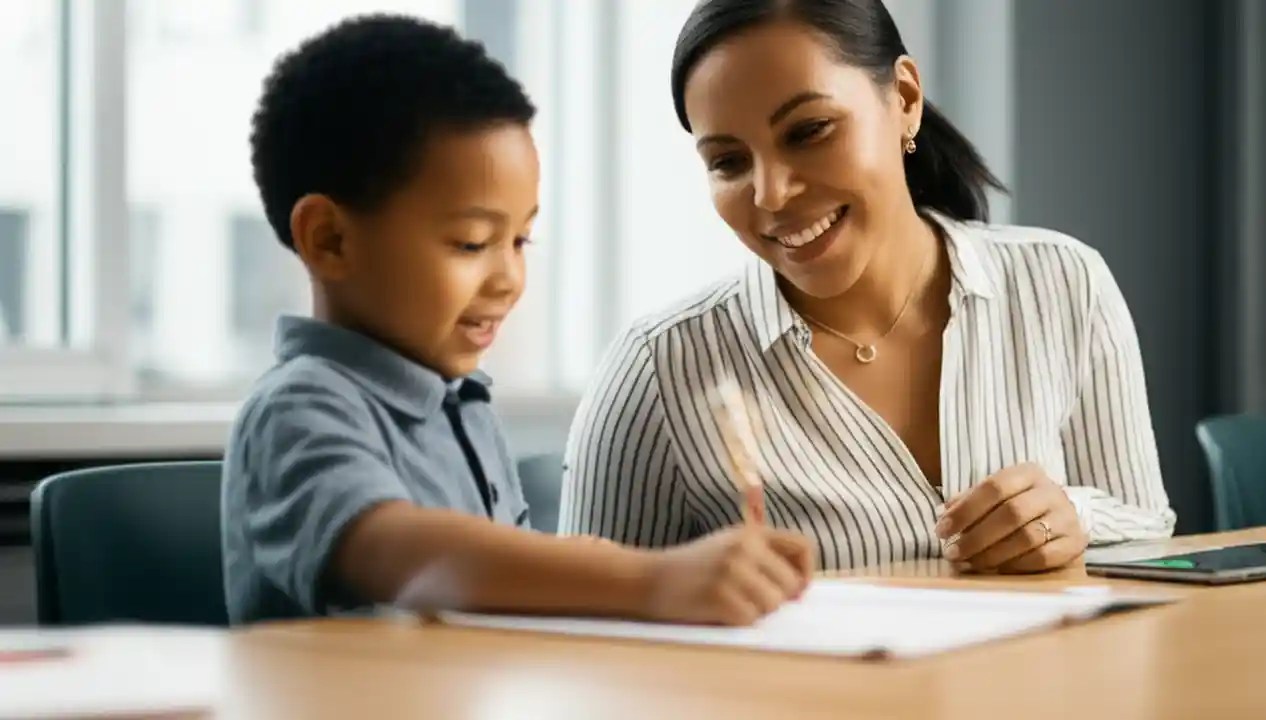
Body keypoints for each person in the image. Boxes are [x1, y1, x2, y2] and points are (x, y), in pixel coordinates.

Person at [221, 15, 812, 625]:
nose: (508, 279)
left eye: (520, 240)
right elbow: (399, 553)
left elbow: (511, 583)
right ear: (330, 240)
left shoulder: (465, 406)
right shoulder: (298, 408)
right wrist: (652, 579)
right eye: (473, 243)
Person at [560, 0, 1174, 574]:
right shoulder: (659, 369)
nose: (771, 194)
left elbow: (1152, 532)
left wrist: (1077, 517)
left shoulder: (1065, 283)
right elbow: (583, 631)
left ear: (904, 97)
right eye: (729, 161)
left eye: (809, 131)